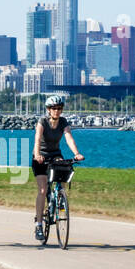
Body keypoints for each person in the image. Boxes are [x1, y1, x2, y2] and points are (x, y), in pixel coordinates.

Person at [32, 95, 84, 240]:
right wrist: (37, 154)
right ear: (48, 110)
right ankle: (39, 225)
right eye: (54, 108)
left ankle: (59, 198)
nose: (57, 111)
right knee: (42, 190)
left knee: (63, 171)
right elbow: (37, 139)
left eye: (59, 108)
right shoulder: (42, 121)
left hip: (55, 154)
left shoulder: (63, 122)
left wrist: (77, 153)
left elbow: (68, 137)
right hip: (40, 156)